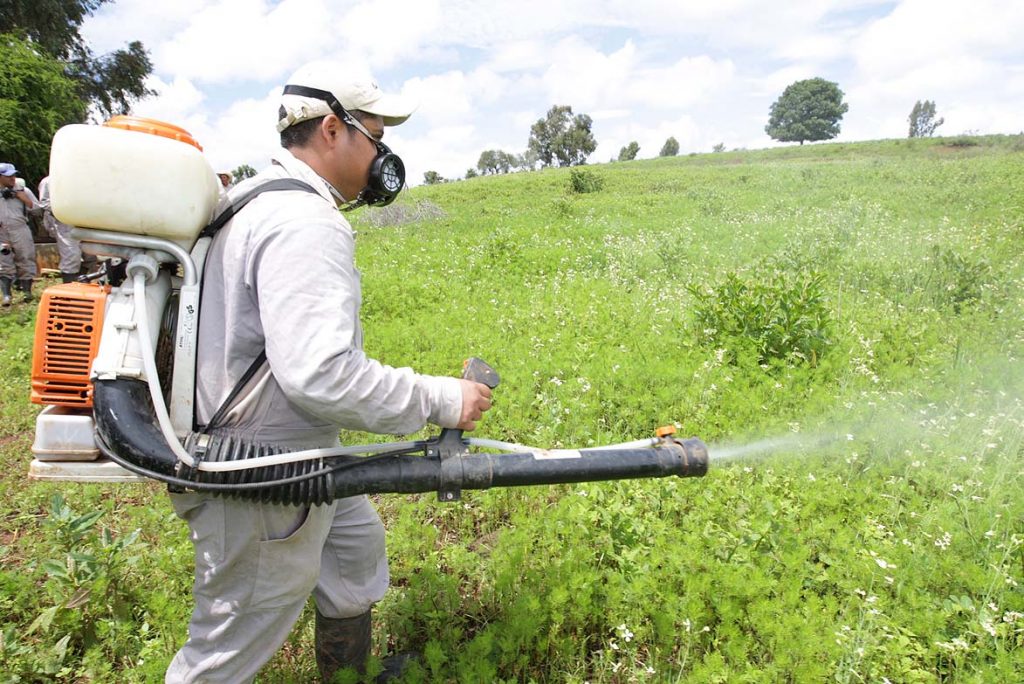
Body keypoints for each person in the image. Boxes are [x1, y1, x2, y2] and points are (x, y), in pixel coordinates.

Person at [165, 62, 493, 684]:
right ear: (335, 131)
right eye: (376, 135)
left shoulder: (254, 198)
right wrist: (441, 398)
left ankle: (346, 674)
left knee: (353, 551)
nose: (383, 153)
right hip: (259, 466)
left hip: (291, 448)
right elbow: (321, 374)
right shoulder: (304, 222)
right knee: (225, 649)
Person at [0, 163, 40, 305]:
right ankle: (6, 295)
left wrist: (22, 198)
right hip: (2, 232)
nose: (12, 178)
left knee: (26, 258)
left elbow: (38, 210)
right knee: (4, 261)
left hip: (20, 229)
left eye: (13, 175)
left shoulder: (23, 190)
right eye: (8, 176)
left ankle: (27, 292)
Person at [38, 175, 87, 283]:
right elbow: (45, 203)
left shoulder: (80, 179)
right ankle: (68, 287)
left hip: (83, 220)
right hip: (64, 222)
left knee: (89, 255)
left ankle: (82, 284)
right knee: (71, 254)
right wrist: (64, 212)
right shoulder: (48, 181)